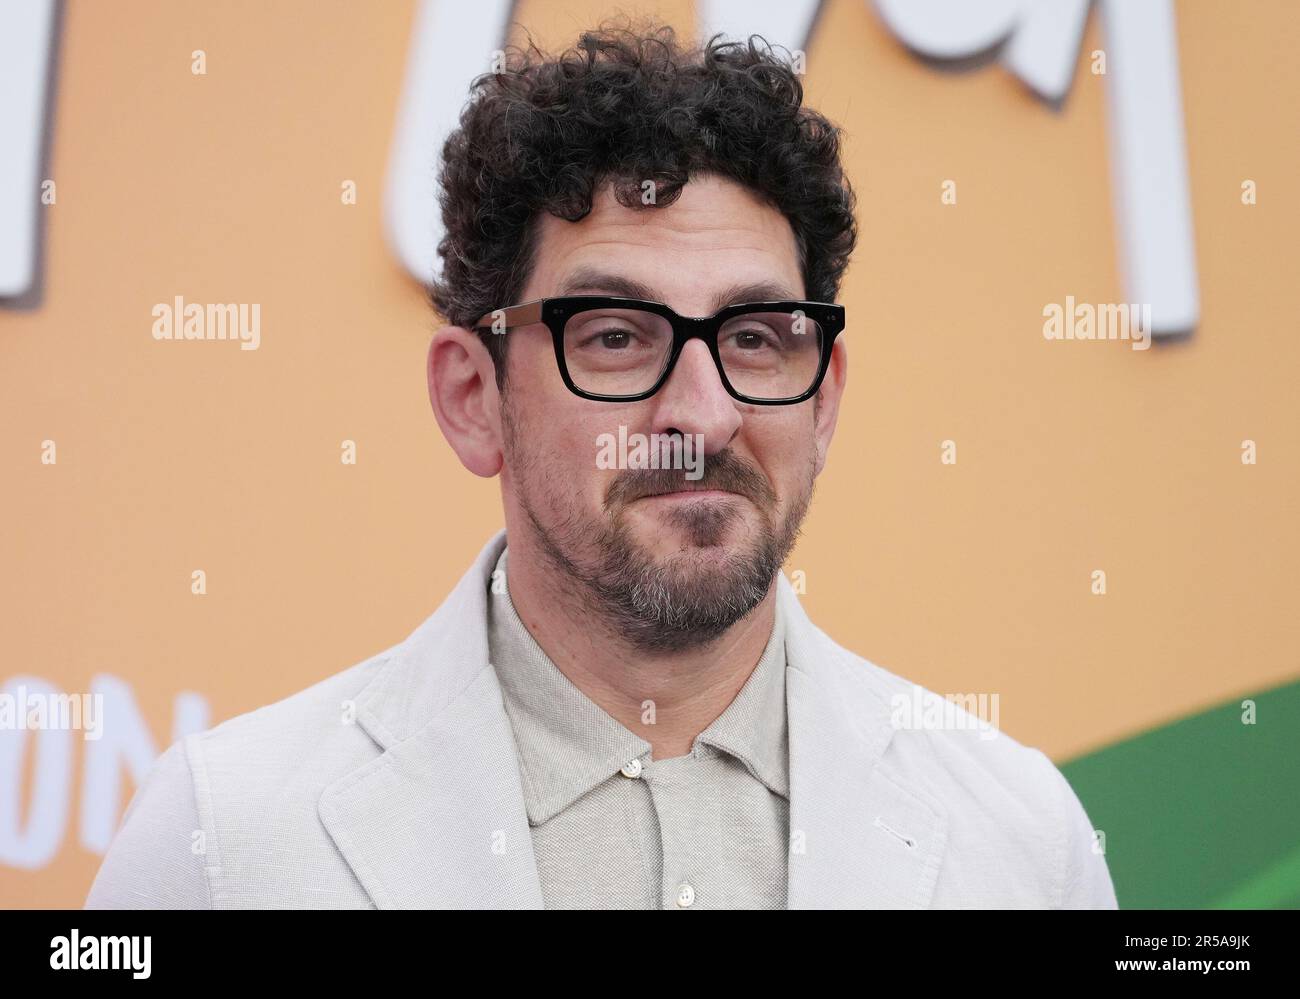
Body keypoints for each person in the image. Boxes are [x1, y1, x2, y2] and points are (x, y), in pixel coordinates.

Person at [85, 20, 1117, 909]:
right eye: (617, 337)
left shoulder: (1019, 842)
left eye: (756, 337)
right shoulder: (227, 842)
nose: (702, 416)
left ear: (825, 396)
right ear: (470, 398)